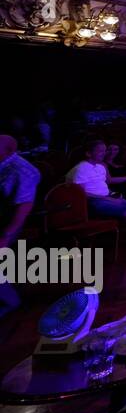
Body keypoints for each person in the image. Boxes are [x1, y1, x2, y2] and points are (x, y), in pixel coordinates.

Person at [0, 135, 40, 316]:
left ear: (9, 151)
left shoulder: (22, 171)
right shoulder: (4, 164)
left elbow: (24, 206)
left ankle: (9, 302)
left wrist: (6, 235)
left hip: (6, 224)